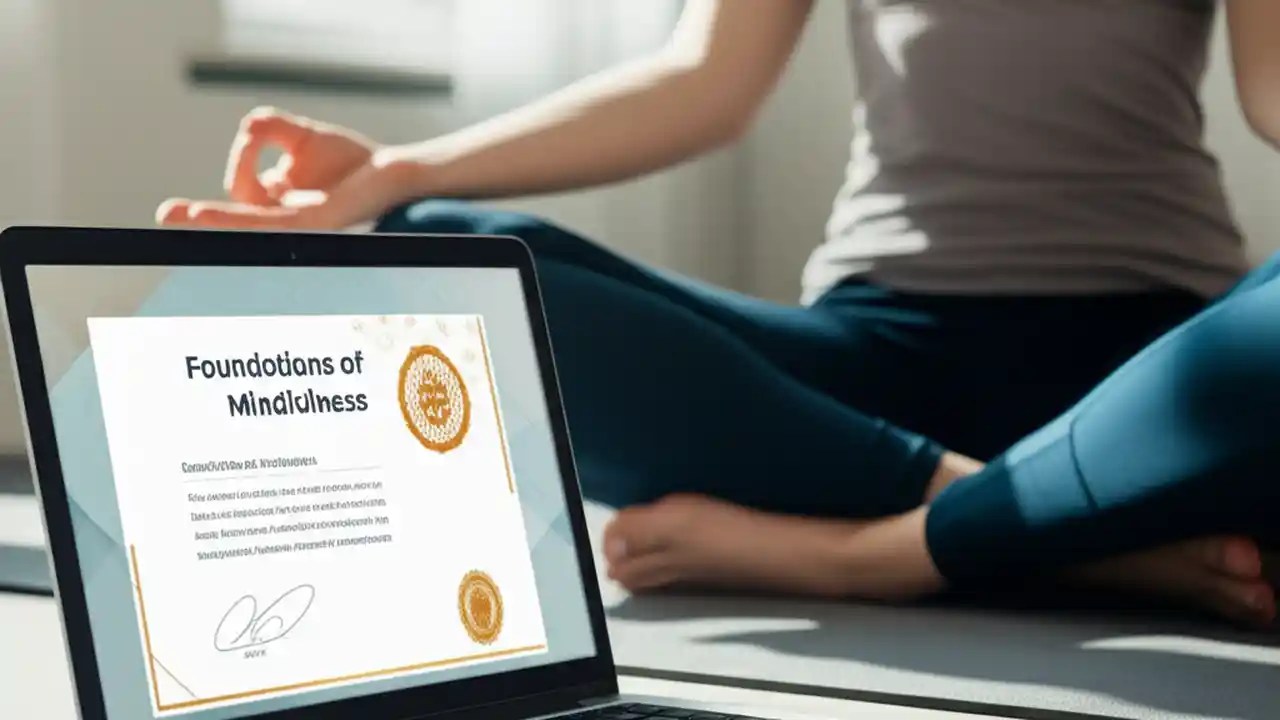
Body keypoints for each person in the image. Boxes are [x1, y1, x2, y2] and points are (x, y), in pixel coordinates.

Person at [157, 1, 1280, 625]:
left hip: (1151, 382)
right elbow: (706, 81)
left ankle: (851, 555)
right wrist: (401, 169)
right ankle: (1077, 539)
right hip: (867, 370)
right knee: (437, 255)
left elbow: (1269, 90)